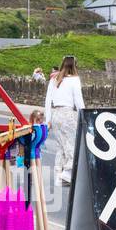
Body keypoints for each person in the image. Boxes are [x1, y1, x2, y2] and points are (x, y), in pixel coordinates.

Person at [45, 55, 84, 185]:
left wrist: (48, 120)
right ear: (74, 66)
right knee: (71, 144)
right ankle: (67, 172)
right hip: (67, 114)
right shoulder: (75, 80)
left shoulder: (54, 79)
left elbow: (47, 100)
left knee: (60, 145)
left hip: (55, 114)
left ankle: (58, 176)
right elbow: (79, 101)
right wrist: (84, 116)